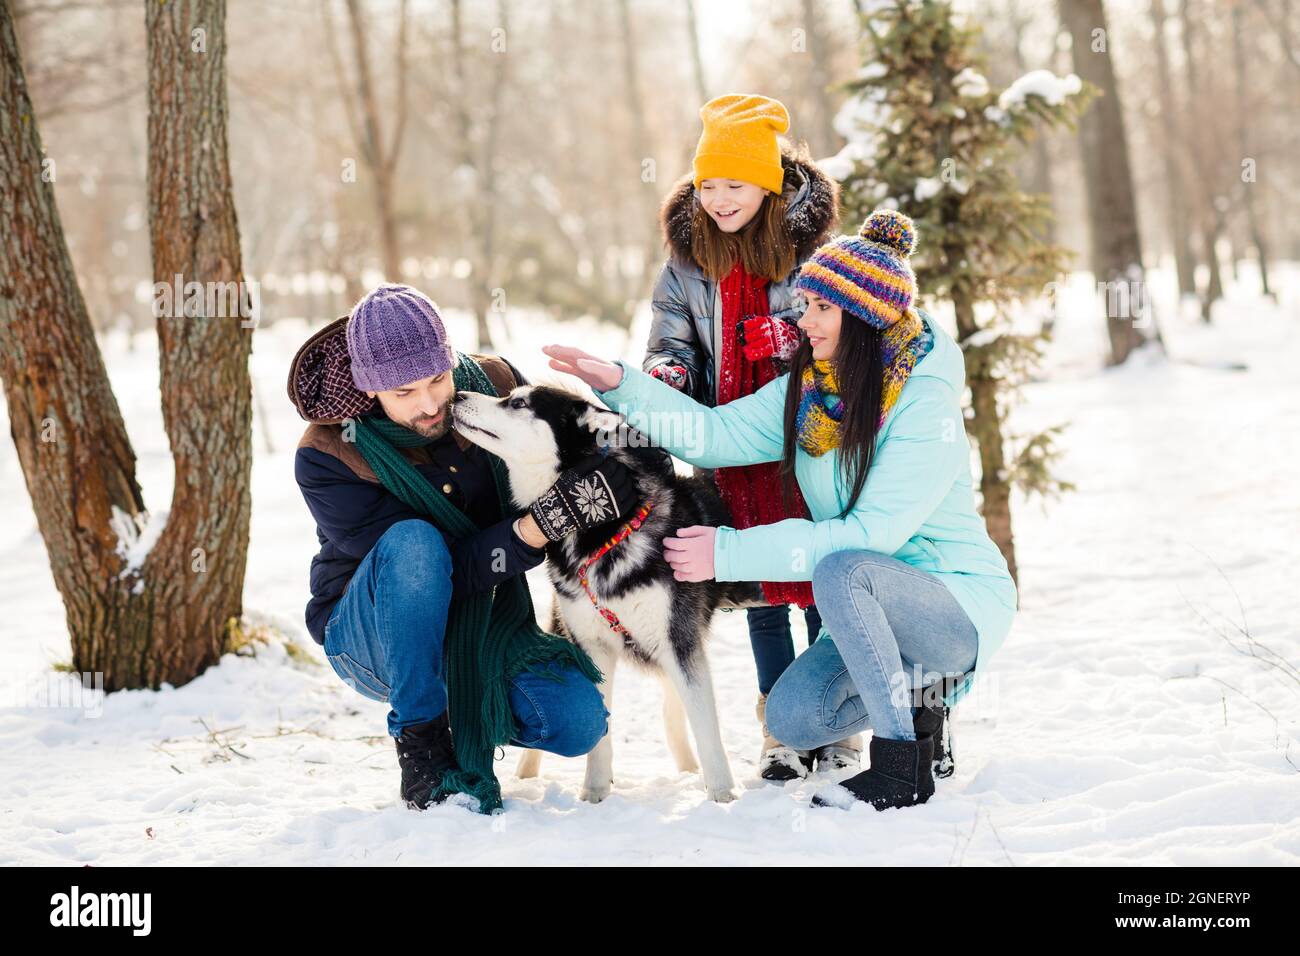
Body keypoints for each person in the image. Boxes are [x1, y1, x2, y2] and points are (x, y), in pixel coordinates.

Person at [542, 209, 1018, 811]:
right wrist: (621, 383)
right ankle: (924, 697)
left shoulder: (926, 405)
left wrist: (730, 551)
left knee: (844, 566)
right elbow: (714, 435)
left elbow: (873, 534)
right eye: (806, 303)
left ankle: (902, 764)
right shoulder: (812, 388)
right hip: (868, 611)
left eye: (822, 307)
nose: (803, 318)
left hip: (953, 603)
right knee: (796, 718)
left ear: (866, 317)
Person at [288, 283, 639, 813]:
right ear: (369, 389)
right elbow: (437, 570)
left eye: (436, 378)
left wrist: (618, 458)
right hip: (371, 633)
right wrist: (532, 530)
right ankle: (424, 744)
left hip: (487, 621)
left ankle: (470, 697)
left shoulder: (493, 387)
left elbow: (565, 445)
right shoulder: (330, 455)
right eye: (404, 393)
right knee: (414, 543)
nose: (430, 404)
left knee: (576, 721)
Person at [642, 92, 848, 781]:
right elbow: (671, 336)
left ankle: (837, 720)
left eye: (734, 184)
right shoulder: (687, 259)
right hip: (727, 445)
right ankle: (780, 727)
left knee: (816, 581)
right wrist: (669, 372)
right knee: (757, 586)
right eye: (707, 184)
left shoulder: (811, 248)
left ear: (765, 181)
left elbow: (847, 333)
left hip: (806, 440)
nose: (720, 198)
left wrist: (793, 336)